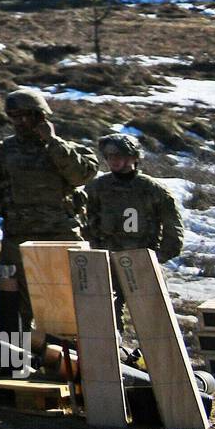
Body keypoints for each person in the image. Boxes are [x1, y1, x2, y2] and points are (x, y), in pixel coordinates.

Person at [0, 88, 100, 342]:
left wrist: (53, 143)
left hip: (62, 237)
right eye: (15, 116)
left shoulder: (71, 150)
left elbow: (80, 175)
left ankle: (64, 359)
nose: (21, 122)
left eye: (27, 115)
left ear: (42, 116)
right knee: (12, 304)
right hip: (18, 238)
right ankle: (15, 360)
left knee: (64, 304)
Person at [84, 132, 185, 326]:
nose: (113, 160)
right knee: (106, 320)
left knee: (154, 321)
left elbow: (174, 231)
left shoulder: (154, 190)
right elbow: (84, 222)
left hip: (142, 260)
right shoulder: (97, 188)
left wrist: (156, 258)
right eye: (109, 156)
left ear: (133, 157)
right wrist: (95, 250)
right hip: (107, 261)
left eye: (119, 155)